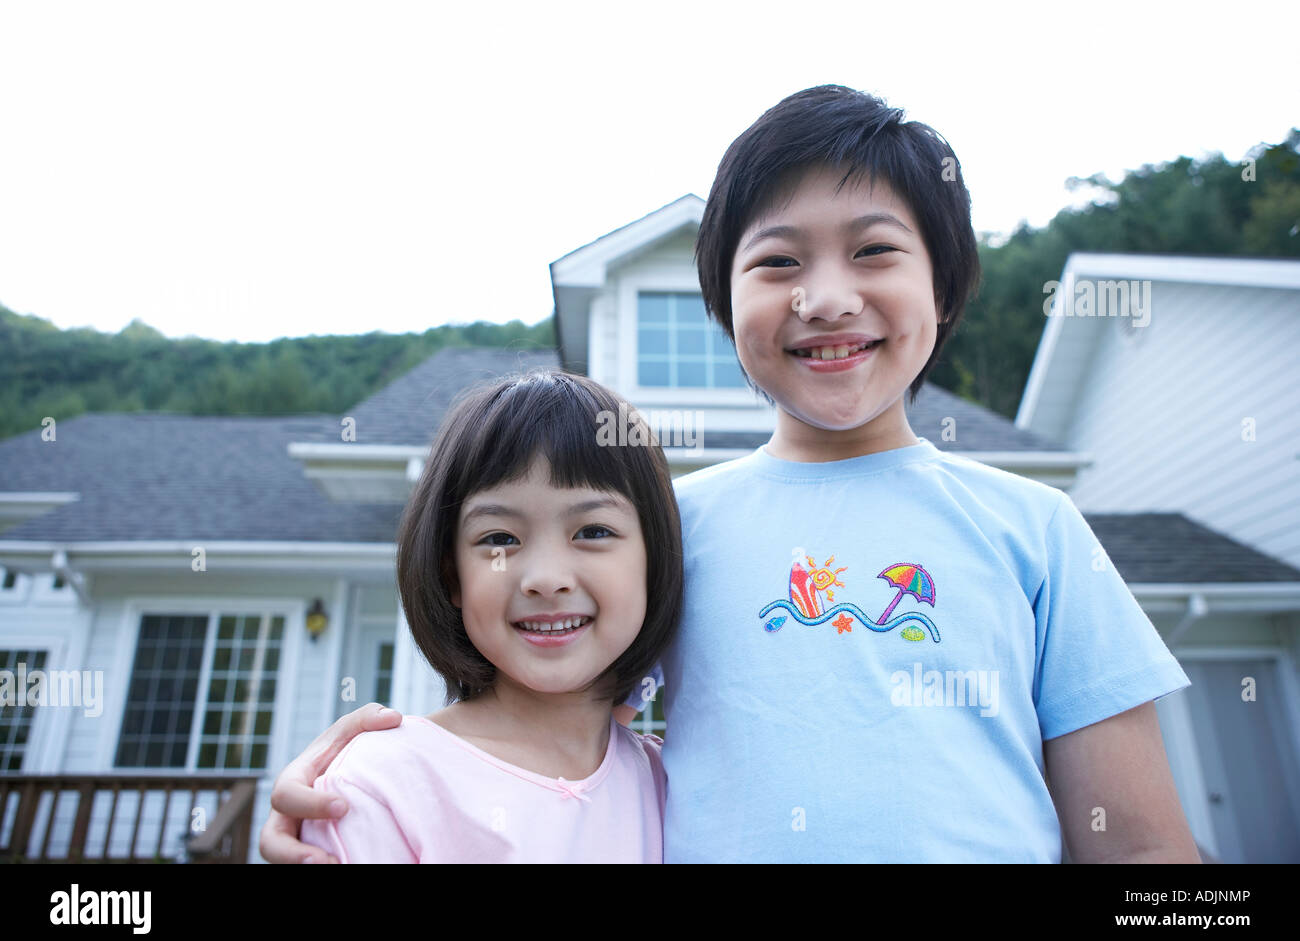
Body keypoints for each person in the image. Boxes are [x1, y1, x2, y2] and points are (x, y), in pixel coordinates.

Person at [263, 84, 1199, 863]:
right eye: (778, 261)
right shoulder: (660, 528)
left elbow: (1141, 849)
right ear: (725, 306)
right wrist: (360, 783)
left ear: (945, 285)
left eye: (874, 250)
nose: (827, 299)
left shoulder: (1035, 531)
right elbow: (538, 722)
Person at [295, 370, 682, 862]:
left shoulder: (675, 787)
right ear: (452, 575)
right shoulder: (380, 783)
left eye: (593, 530)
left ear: (655, 561)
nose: (545, 578)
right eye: (500, 539)